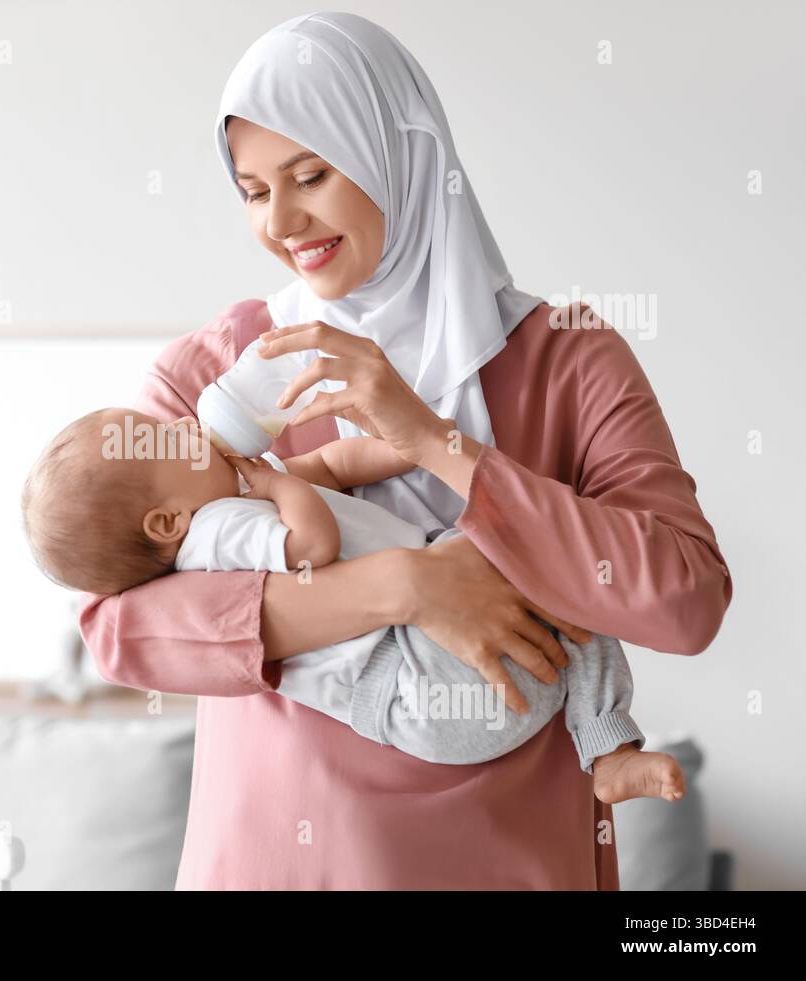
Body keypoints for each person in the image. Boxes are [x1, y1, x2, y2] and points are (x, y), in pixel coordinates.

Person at [80, 12, 732, 889]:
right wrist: (404, 587)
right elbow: (120, 630)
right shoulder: (218, 374)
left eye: (311, 173)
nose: (283, 219)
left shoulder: (568, 357)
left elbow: (686, 598)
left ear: (401, 149)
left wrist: (436, 442)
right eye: (252, 189)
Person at [21, 406, 686, 803]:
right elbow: (313, 542)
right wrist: (279, 480)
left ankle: (609, 753)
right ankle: (605, 742)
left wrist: (414, 441)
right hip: (410, 675)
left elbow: (334, 466)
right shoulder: (217, 529)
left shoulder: (239, 493)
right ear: (167, 523)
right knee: (536, 565)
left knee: (555, 585)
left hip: (447, 688)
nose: (184, 424)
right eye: (163, 437)